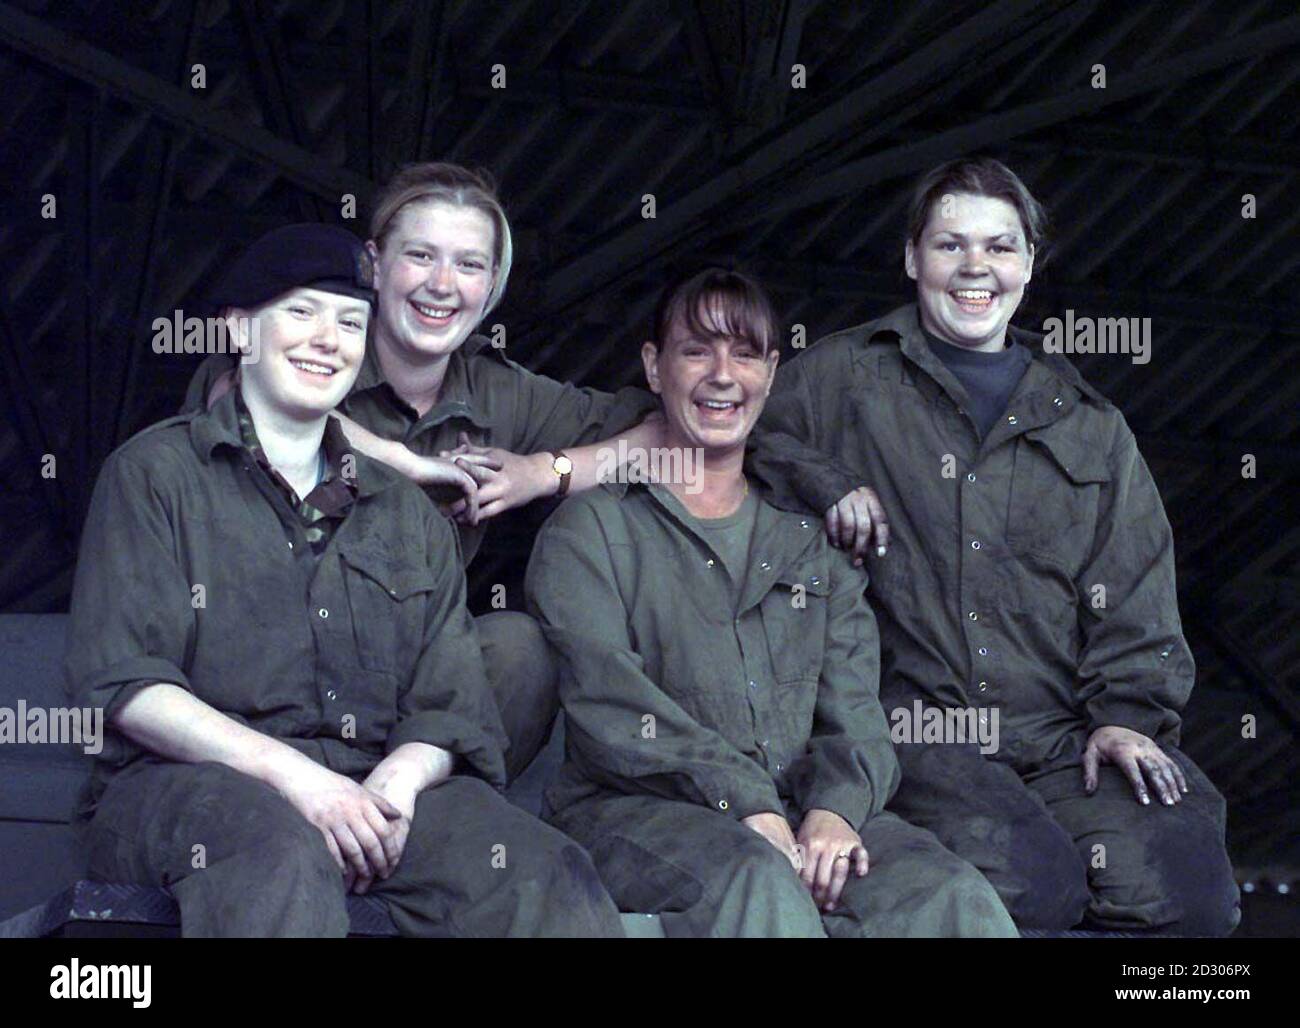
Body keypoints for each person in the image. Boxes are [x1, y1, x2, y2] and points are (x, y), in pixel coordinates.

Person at [183, 162, 886, 782]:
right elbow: (232, 389)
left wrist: (539, 472)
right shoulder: (314, 349)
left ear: (493, 285)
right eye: (419, 256)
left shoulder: (503, 395)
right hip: (268, 672)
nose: (441, 284)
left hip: (405, 691)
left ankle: (429, 819)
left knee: (516, 649)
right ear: (373, 264)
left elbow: (679, 419)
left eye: (468, 264)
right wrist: (406, 462)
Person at [66, 224, 624, 937]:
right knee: (277, 853)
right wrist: (299, 781)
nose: (328, 338)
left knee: (544, 872)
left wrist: (398, 781)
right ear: (240, 328)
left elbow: (450, 702)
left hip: (367, 786)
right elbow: (124, 684)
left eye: (351, 321)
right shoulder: (154, 475)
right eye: (301, 312)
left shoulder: (405, 513)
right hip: (183, 791)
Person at [754, 157, 1240, 935]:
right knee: (1033, 884)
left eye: (999, 247)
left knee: (1189, 895)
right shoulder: (844, 377)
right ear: (913, 259)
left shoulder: (1088, 423)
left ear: (1028, 265)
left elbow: (1138, 588)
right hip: (915, 727)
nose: (975, 267)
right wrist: (821, 478)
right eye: (950, 246)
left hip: (1061, 737)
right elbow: (722, 424)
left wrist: (1126, 717)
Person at [525, 268, 1017, 937]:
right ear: (653, 366)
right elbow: (611, 710)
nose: (722, 375)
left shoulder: (812, 544)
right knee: (760, 884)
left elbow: (855, 712)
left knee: (955, 896)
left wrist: (836, 812)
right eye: (697, 350)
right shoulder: (590, 531)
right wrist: (749, 803)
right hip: (631, 812)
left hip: (801, 810)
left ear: (772, 371)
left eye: (746, 353)